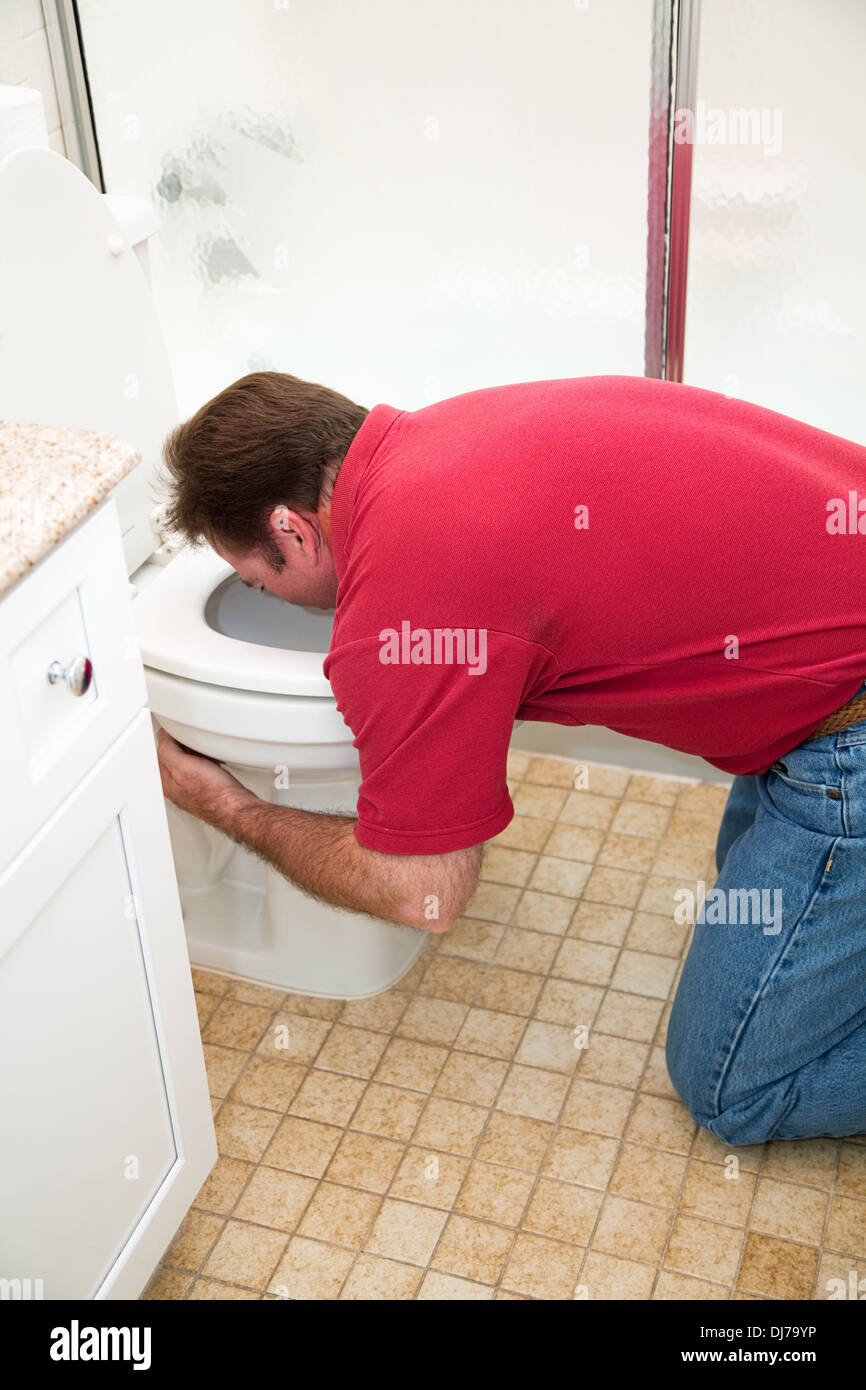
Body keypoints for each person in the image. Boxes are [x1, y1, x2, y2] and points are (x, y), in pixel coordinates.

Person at [156, 369, 866, 1143]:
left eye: (262, 584)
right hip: (819, 665)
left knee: (730, 1087)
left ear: (293, 531)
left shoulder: (404, 606)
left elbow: (424, 893)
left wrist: (225, 804)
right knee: (742, 878)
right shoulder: (445, 433)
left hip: (843, 736)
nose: (274, 598)